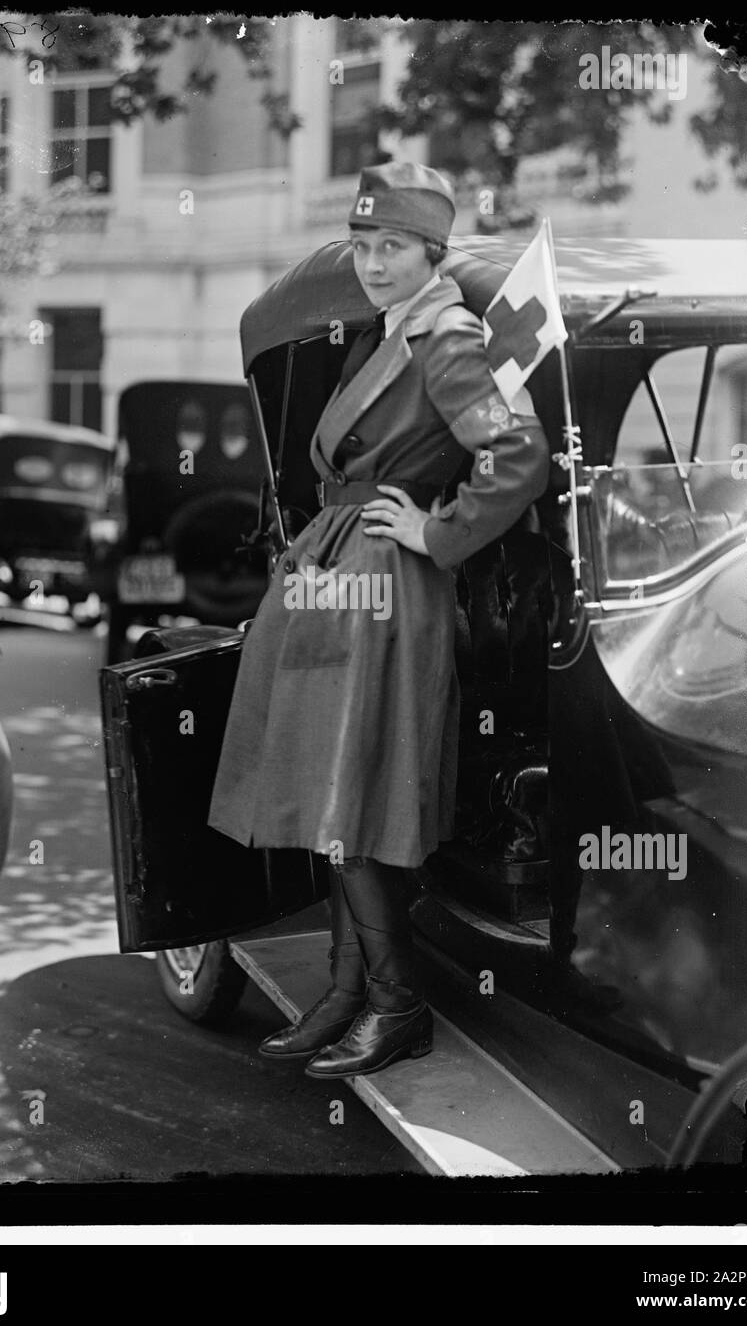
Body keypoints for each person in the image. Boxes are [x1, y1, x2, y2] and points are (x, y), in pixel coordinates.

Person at [207, 161, 549, 1078]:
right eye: (361, 246)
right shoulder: (388, 330)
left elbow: (517, 453)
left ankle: (396, 1007)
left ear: (430, 253)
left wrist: (437, 535)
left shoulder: (441, 334)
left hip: (381, 584)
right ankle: (345, 992)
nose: (371, 263)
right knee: (332, 796)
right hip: (338, 570)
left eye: (390, 246)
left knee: (347, 801)